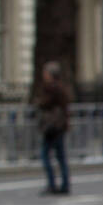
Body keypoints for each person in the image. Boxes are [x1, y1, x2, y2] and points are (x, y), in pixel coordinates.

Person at [33, 61, 72, 195]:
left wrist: (39, 102)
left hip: (52, 127)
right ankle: (64, 184)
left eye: (46, 73)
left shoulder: (51, 89)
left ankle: (52, 184)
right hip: (59, 127)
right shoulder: (61, 88)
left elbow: (45, 104)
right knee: (61, 157)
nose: (44, 75)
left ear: (50, 75)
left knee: (46, 156)